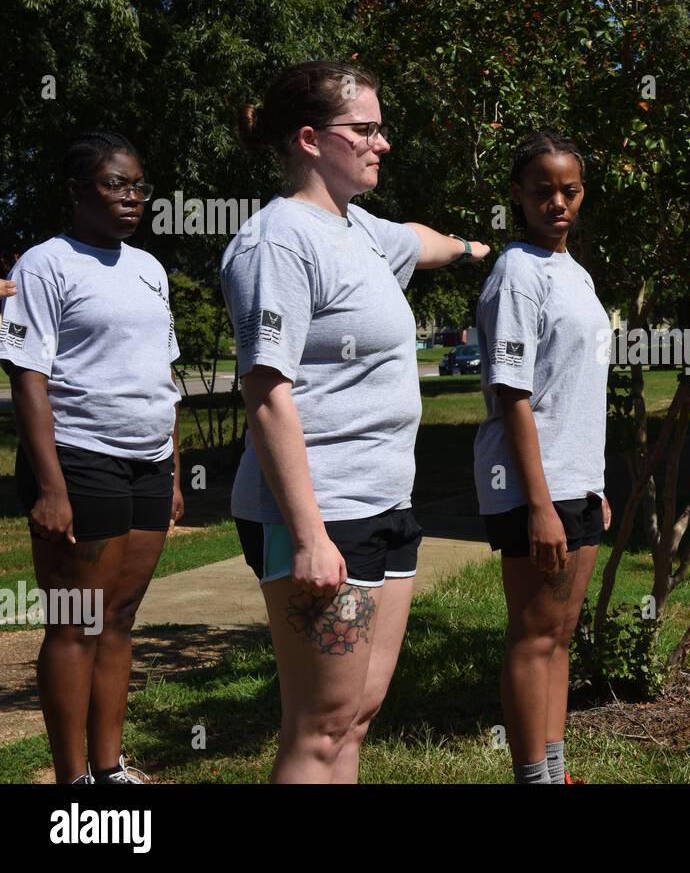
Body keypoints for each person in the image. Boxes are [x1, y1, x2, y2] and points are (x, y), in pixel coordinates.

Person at [223, 61, 489, 783]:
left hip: (383, 505)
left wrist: (473, 249)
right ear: (310, 140)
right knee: (319, 726)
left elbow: (418, 240)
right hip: (319, 514)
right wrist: (308, 535)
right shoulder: (277, 242)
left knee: (357, 716)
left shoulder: (360, 231)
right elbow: (267, 391)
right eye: (364, 129)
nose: (383, 143)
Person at [1, 131, 183, 784]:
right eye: (116, 184)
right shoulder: (42, 265)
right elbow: (27, 375)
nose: (132, 196)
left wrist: (172, 461)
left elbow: (165, 371)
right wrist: (50, 487)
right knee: (75, 623)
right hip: (79, 460)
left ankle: (110, 770)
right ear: (78, 191)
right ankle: (72, 781)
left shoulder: (148, 267)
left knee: (120, 619)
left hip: (147, 463)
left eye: (138, 185)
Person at [474, 130, 611, 784]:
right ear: (519, 197)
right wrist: (540, 505)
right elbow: (513, 394)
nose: (557, 202)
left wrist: (592, 484)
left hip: (573, 481)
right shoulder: (517, 273)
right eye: (542, 191)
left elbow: (579, 388)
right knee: (533, 636)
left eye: (570, 189)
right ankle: (533, 779)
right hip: (535, 486)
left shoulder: (574, 273)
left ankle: (555, 773)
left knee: (559, 637)